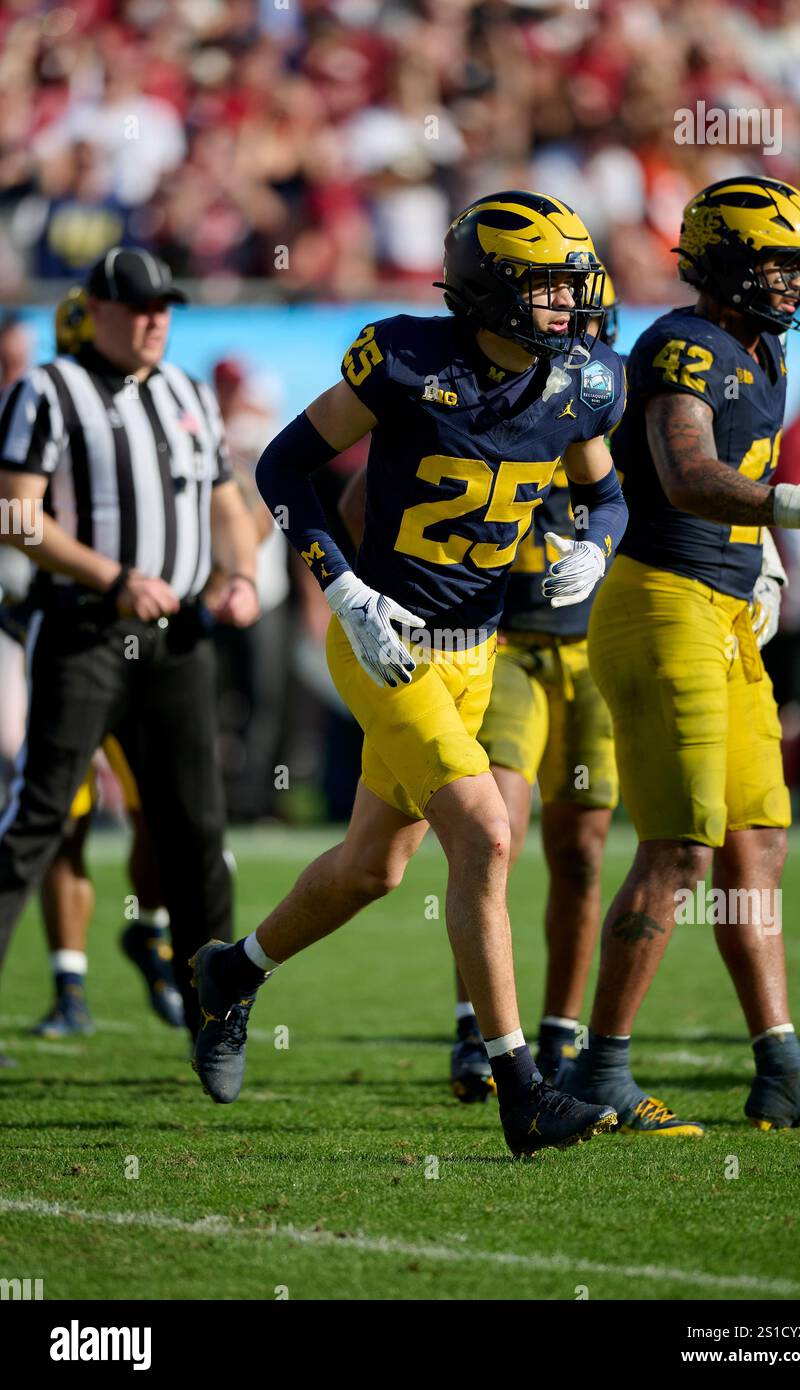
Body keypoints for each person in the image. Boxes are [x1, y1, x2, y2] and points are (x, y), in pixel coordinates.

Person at [189, 190, 628, 1159]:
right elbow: (283, 467)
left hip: (476, 649)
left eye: (570, 282)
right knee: (486, 829)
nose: (568, 302)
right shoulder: (403, 356)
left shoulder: (585, 380)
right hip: (383, 634)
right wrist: (341, 585)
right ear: (489, 292)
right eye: (546, 285)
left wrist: (595, 547)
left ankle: (231, 973)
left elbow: (604, 495)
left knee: (372, 869)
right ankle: (521, 1086)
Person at [555, 176, 800, 1132]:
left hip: (727, 610)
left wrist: (762, 559)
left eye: (798, 263)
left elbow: (734, 474)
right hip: (661, 604)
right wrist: (799, 512)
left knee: (757, 843)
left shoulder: (761, 349)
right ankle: (598, 1069)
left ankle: (781, 1066)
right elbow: (690, 476)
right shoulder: (682, 346)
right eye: (776, 261)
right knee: (680, 849)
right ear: (725, 257)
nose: (792, 281)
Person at [0, 246, 261, 1042]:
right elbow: (15, 514)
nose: (156, 320)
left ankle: (214, 1021)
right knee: (40, 814)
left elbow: (225, 500)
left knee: (196, 827)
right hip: (83, 628)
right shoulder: (47, 390)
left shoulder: (185, 391)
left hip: (179, 635)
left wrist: (241, 573)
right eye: (140, 305)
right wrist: (113, 578)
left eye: (166, 306)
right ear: (99, 309)